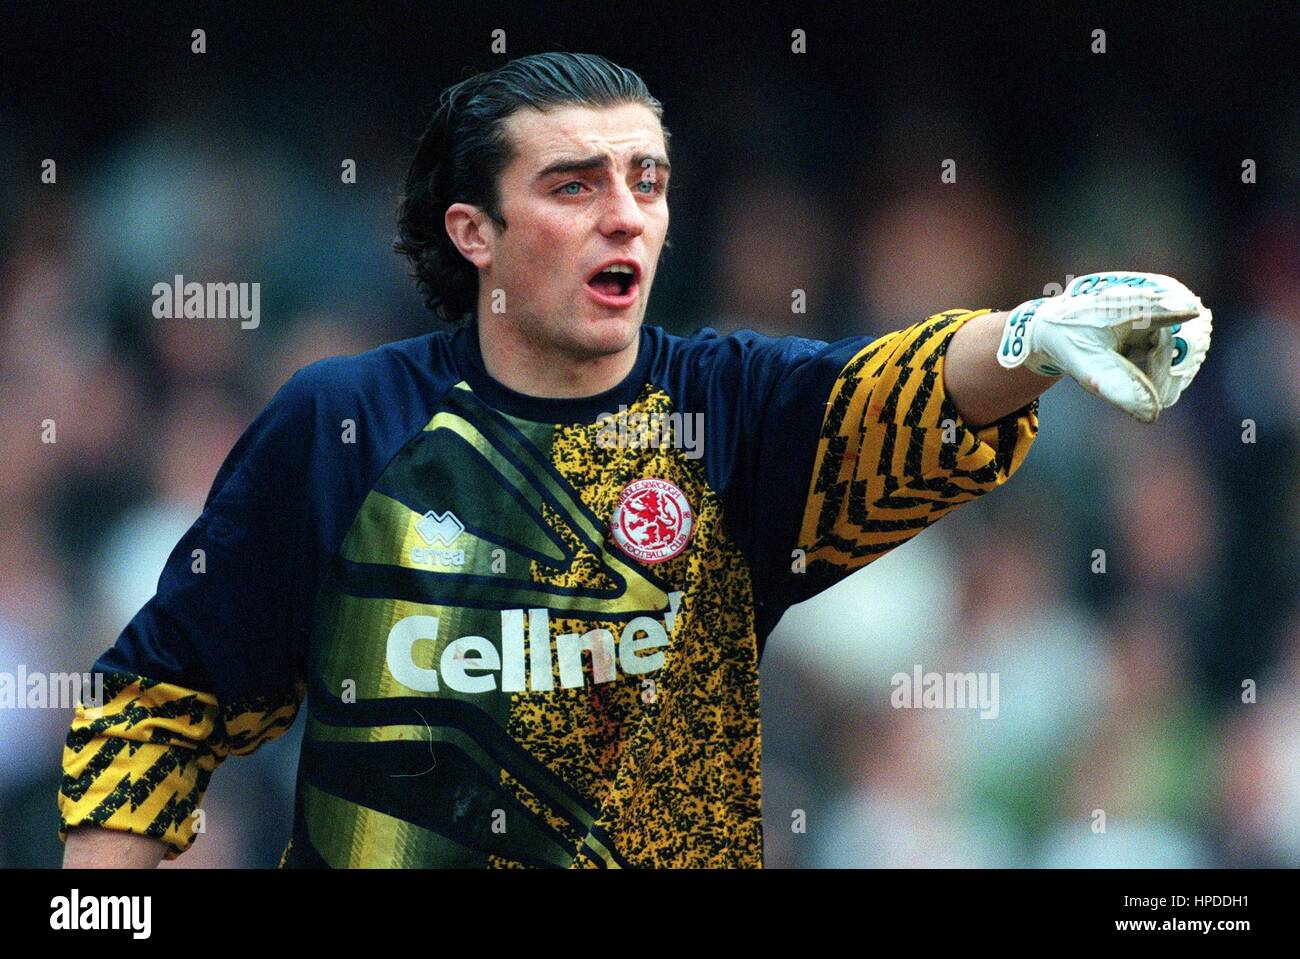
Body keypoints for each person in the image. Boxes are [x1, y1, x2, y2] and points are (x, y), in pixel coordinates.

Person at [59, 52, 1212, 868]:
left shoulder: (727, 403)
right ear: (474, 231)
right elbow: (162, 703)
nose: (625, 215)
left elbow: (896, 390)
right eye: (574, 184)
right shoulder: (345, 418)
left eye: (645, 180)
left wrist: (1025, 338)